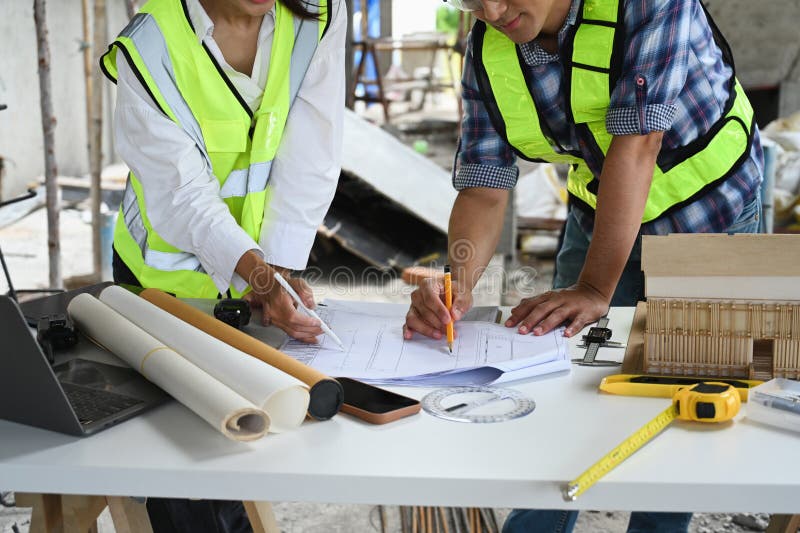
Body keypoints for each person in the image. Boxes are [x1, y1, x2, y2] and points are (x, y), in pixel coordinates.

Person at [403, 0, 763, 531]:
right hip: (602, 215)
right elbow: (483, 185)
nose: (492, 10)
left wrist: (595, 286)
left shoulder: (650, 5)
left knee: (684, 397)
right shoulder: (487, 48)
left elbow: (639, 143)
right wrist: (458, 284)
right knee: (564, 386)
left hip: (711, 216)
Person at [101, 0, 346, 530]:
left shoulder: (317, 13)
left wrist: (275, 270)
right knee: (184, 473)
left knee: (239, 446)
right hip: (157, 288)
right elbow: (182, 194)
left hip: (251, 278)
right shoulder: (149, 45)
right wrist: (261, 276)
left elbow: (312, 149)